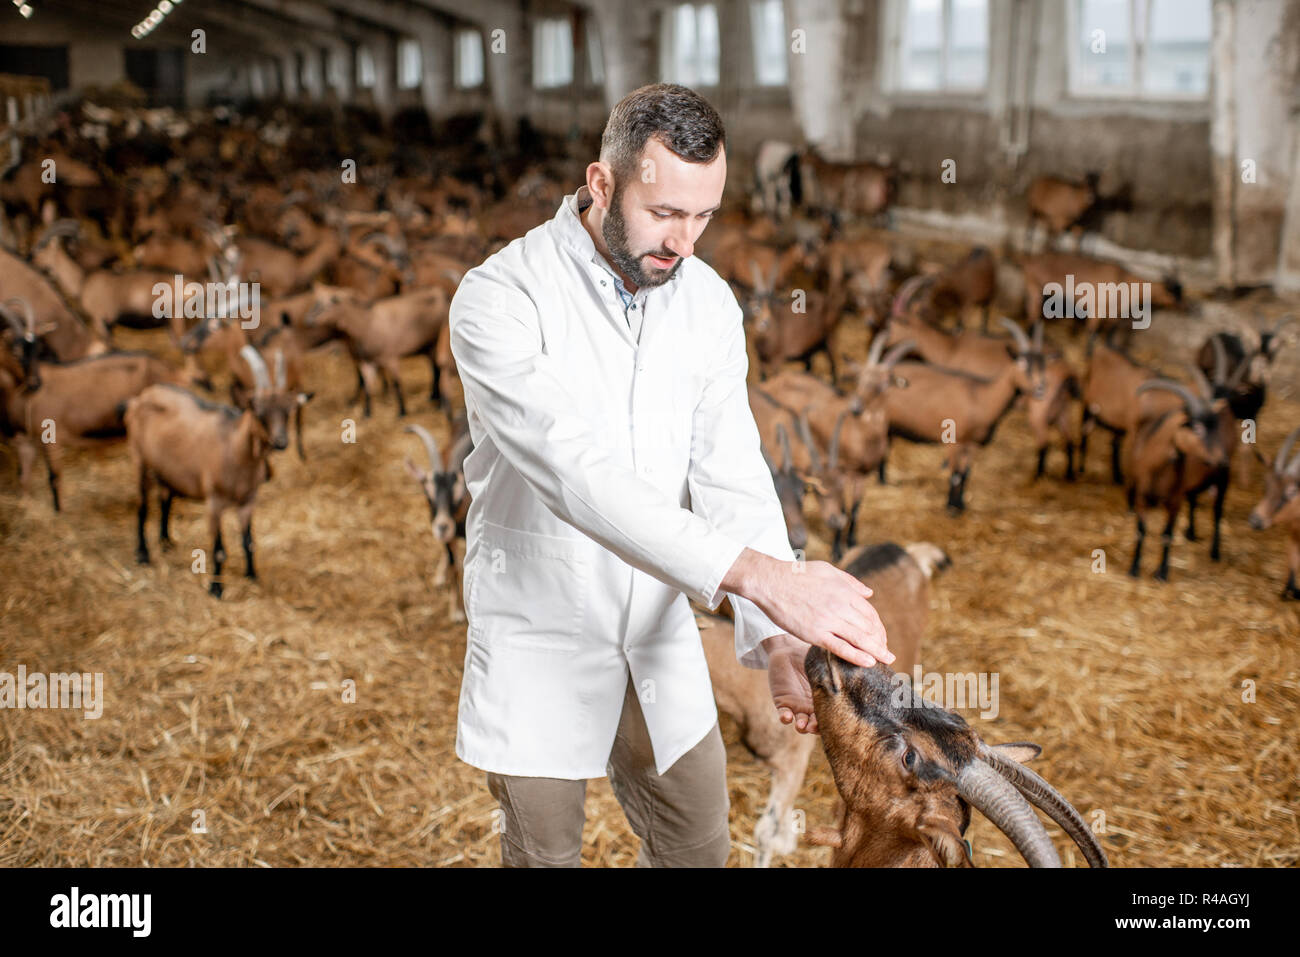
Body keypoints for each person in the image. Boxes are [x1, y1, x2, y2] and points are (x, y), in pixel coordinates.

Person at [448, 83, 891, 867]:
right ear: (602, 184)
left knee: (696, 844)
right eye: (665, 214)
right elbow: (570, 471)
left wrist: (777, 632)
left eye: (704, 217)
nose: (685, 242)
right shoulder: (501, 298)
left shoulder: (708, 303)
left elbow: (730, 471)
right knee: (544, 854)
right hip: (540, 629)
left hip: (657, 630)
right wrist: (761, 576)